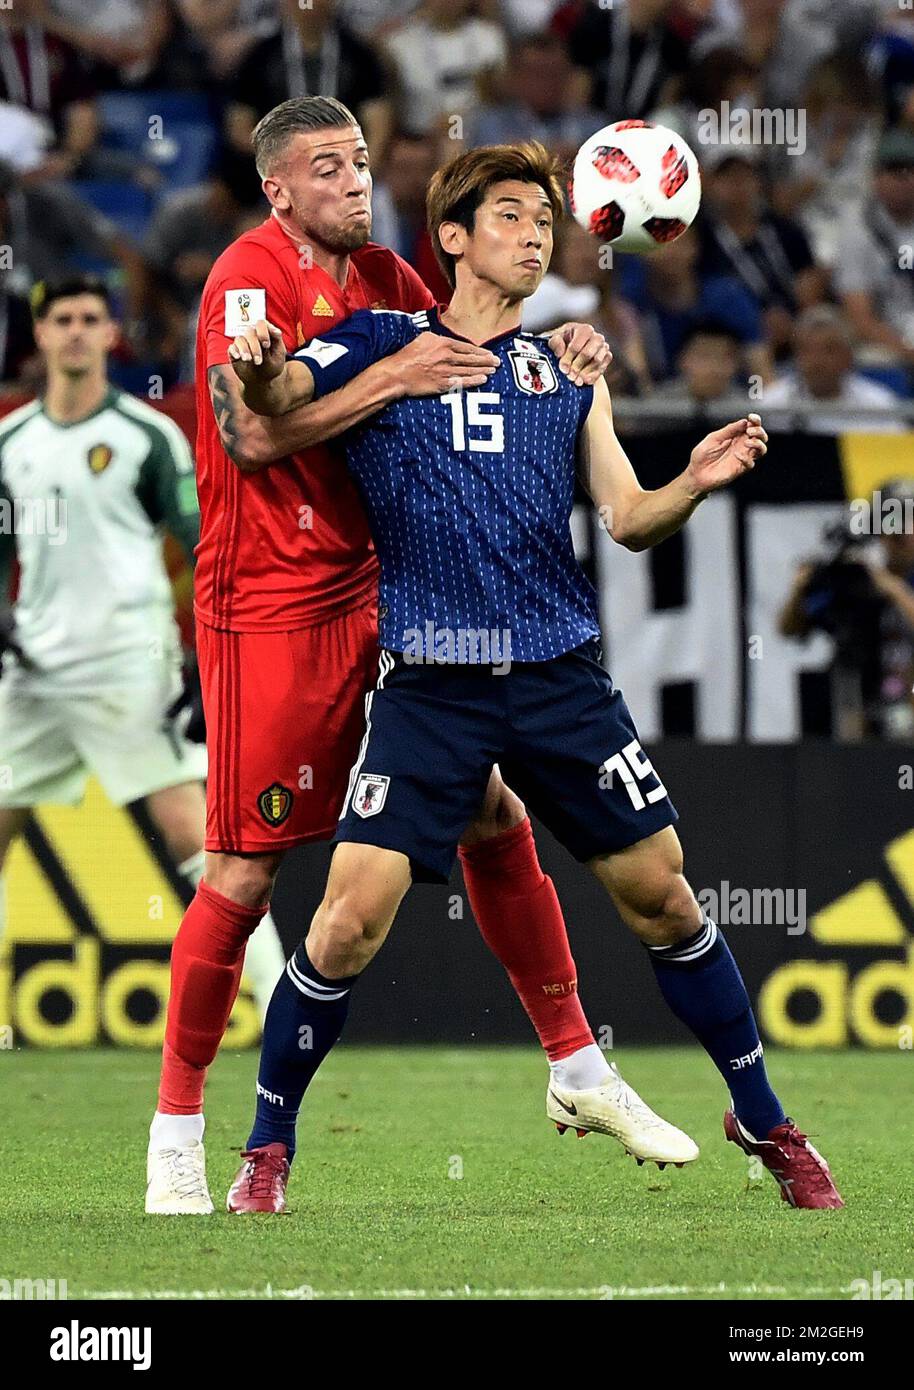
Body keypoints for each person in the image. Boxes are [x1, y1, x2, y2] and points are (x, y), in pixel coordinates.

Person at [226, 139, 843, 1214]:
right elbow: (277, 400)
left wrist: (689, 480)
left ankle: (761, 1113)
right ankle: (265, 1149)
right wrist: (257, 355)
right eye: (507, 215)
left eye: (542, 222)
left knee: (663, 897)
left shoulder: (566, 369)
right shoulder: (379, 341)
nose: (531, 234)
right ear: (452, 238)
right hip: (429, 685)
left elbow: (628, 519)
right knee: (343, 920)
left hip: (559, 677)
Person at [147, 93, 675, 1217]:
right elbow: (252, 430)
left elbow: (476, 336)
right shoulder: (249, 278)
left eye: (357, 162)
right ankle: (178, 1130)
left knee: (493, 811)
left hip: (381, 596)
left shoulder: (386, 278)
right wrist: (384, 380)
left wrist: (571, 340)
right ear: (276, 189)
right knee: (245, 865)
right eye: (325, 168)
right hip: (270, 607)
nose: (351, 181)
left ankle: (577, 1066)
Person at [0, 278, 283, 1049]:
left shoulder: (144, 435)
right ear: (41, 334)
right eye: (62, 318)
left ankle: (279, 1001)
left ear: (112, 333)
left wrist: (195, 652)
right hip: (32, 673)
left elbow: (203, 542)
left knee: (204, 844)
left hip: (129, 663)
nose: (77, 331)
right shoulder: (11, 443)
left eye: (92, 318)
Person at [763, 307, 901, 434]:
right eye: (807, 350)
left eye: (829, 350)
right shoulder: (772, 404)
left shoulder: (879, 405)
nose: (817, 360)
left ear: (848, 356)